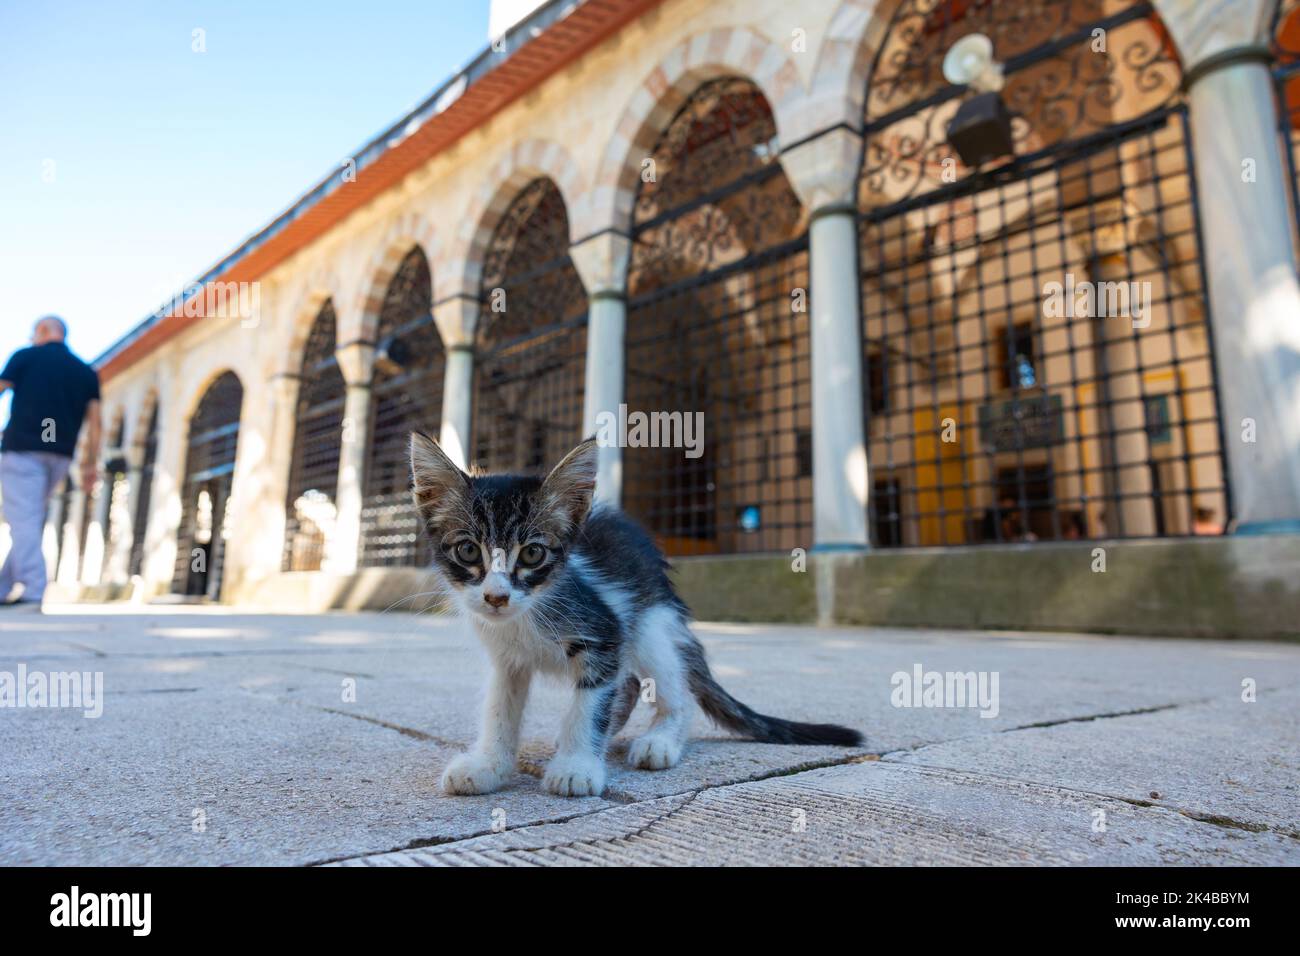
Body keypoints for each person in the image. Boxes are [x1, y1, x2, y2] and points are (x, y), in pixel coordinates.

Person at [0, 317, 102, 609]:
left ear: (43, 331)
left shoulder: (25, 356)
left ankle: (33, 590)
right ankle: (3, 586)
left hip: (23, 450)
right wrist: (90, 463)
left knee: (23, 520)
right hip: (60, 455)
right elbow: (95, 421)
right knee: (29, 519)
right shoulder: (85, 372)